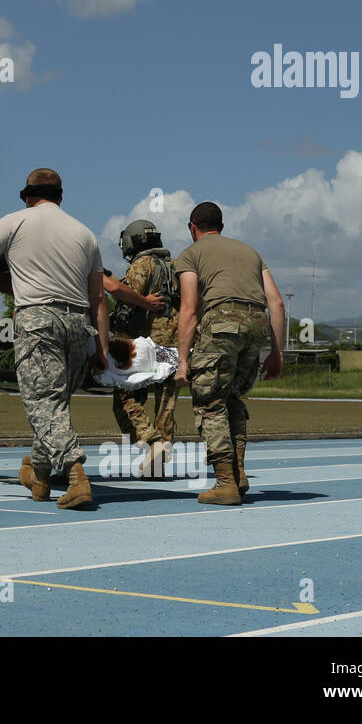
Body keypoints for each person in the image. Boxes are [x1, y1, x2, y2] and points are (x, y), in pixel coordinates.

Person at [0, 168, 108, 510]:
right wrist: (100, 347)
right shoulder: (85, 234)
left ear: (28, 197)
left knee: (43, 402)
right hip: (77, 322)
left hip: (38, 317)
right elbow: (98, 299)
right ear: (60, 197)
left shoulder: (15, 222)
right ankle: (40, 477)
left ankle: (75, 475)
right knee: (54, 404)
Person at [174, 202, 285, 504]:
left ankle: (225, 483)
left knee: (210, 403)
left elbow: (189, 309)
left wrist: (183, 361)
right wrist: (277, 352)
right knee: (232, 398)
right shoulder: (251, 253)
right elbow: (276, 304)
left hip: (222, 324)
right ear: (221, 226)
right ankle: (239, 474)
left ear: (192, 227)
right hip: (258, 327)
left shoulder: (190, 254)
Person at [111, 219, 180, 479]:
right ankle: (158, 464)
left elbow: (128, 301)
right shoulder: (175, 267)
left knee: (126, 399)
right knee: (166, 405)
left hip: (145, 343)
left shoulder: (142, 264)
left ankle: (150, 441)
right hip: (174, 345)